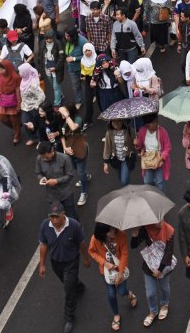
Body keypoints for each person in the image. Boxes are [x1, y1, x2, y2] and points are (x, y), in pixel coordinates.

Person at [38, 202, 91, 333]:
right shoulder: (45, 225)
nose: (54, 220)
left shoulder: (74, 226)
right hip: (55, 262)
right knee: (69, 282)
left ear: (63, 215)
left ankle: (69, 318)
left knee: (68, 288)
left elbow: (82, 243)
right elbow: (44, 245)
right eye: (52, 217)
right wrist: (42, 264)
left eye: (57, 216)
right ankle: (78, 285)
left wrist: (86, 258)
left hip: (71, 262)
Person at [87, 222, 138, 331]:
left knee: (122, 290)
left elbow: (124, 254)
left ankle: (129, 294)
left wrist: (120, 274)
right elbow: (91, 251)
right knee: (111, 294)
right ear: (103, 233)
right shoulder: (95, 239)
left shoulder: (122, 235)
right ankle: (116, 315)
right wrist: (104, 263)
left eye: (113, 229)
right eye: (110, 231)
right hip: (106, 272)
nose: (113, 232)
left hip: (120, 269)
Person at [132, 220, 175, 326]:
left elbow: (169, 252)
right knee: (150, 293)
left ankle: (164, 304)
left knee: (164, 287)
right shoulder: (146, 228)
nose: (160, 222)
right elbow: (134, 245)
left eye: (161, 219)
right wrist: (134, 236)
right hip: (149, 266)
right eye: (156, 220)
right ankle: (153, 311)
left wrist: (160, 270)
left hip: (163, 266)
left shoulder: (169, 230)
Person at [37, 140, 79, 220]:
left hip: (66, 194)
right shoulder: (40, 158)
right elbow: (38, 172)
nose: (43, 159)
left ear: (52, 151)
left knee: (71, 216)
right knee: (57, 217)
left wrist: (56, 181)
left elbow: (70, 175)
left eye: (45, 157)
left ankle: (77, 230)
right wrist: (41, 178)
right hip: (52, 196)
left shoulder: (64, 158)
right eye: (42, 157)